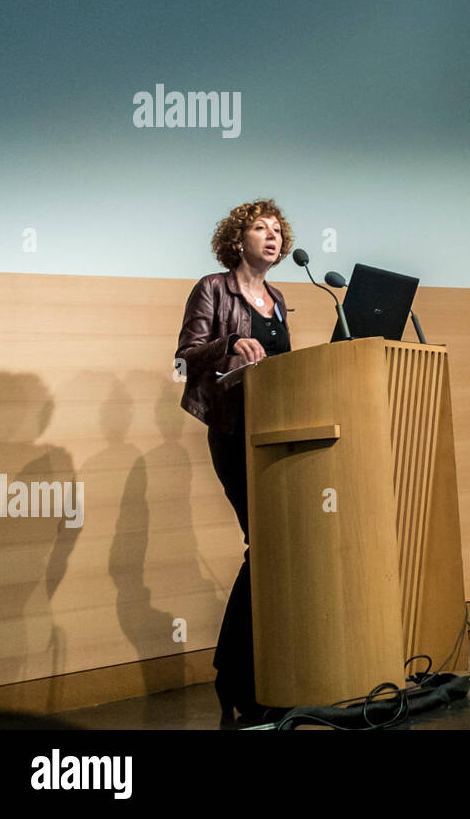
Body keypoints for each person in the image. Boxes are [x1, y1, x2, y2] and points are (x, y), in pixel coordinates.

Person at [175, 199, 293, 724]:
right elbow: (185, 353)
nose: (271, 237)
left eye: (277, 230)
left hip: (276, 432)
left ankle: (245, 677)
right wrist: (230, 342)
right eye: (259, 228)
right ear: (237, 239)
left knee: (270, 551)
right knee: (264, 545)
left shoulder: (279, 298)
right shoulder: (212, 289)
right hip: (231, 431)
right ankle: (235, 678)